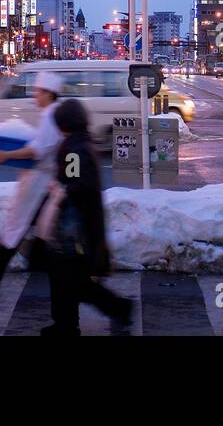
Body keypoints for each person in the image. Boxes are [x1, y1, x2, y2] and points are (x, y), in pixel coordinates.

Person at [35, 99, 132, 336]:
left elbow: (76, 184)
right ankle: (68, 324)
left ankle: (112, 310)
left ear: (64, 123)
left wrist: (61, 190)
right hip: (81, 223)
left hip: (73, 228)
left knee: (70, 281)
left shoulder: (73, 148)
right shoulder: (81, 142)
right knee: (70, 281)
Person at [0, 71, 64, 287]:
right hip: (47, 177)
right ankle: (37, 261)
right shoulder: (52, 113)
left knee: (16, 221)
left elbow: (37, 150)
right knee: (42, 223)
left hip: (39, 177)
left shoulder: (51, 116)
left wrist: (7, 155)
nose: (35, 96)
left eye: (38, 92)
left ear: (49, 94)